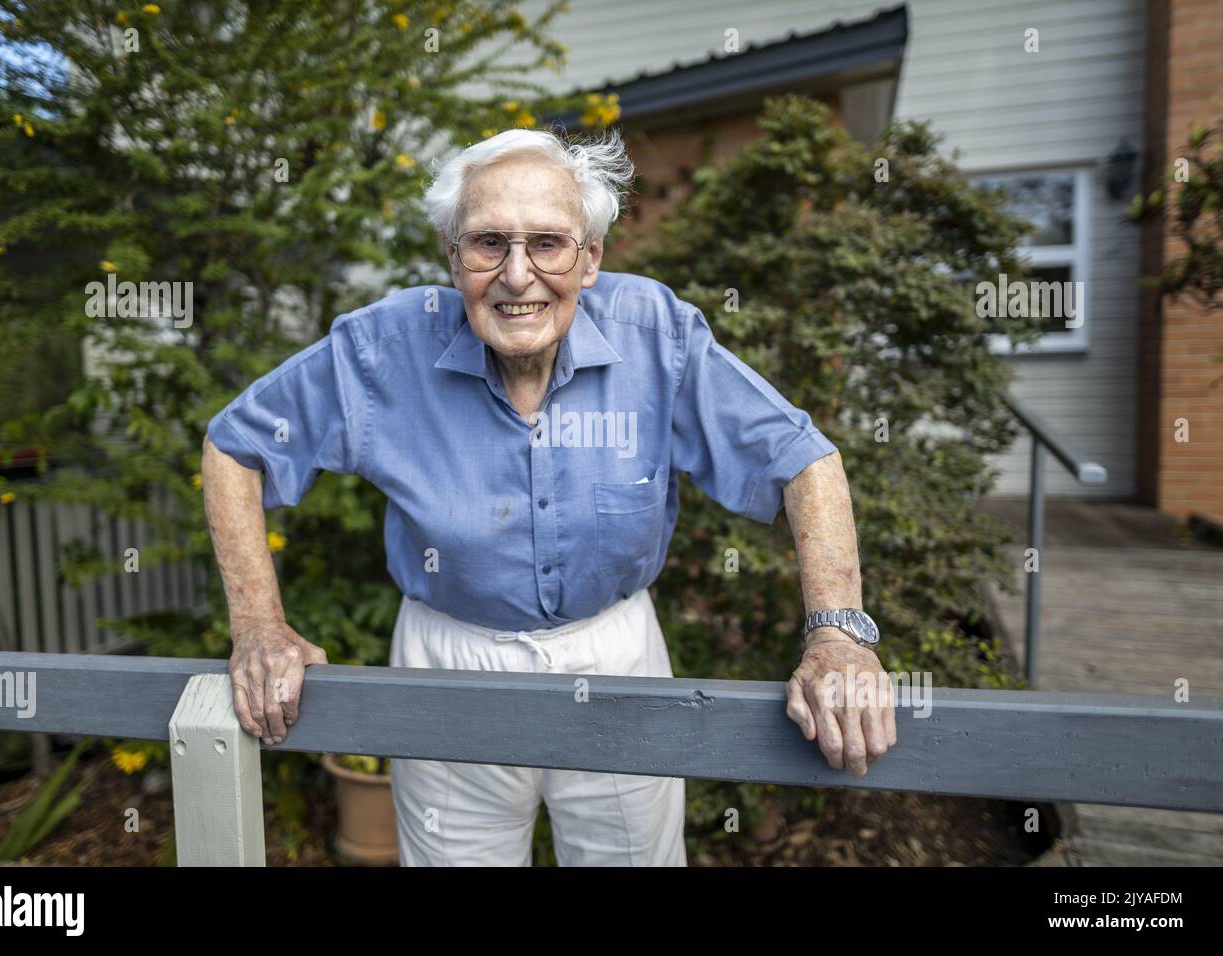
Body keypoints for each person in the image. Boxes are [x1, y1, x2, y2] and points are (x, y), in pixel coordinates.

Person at [201, 127, 897, 866]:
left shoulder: (655, 334)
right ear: (452, 255)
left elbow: (802, 458)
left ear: (590, 258)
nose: (516, 274)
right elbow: (234, 446)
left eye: (548, 244)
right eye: (488, 243)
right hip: (445, 662)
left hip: (617, 652)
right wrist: (258, 626)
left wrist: (838, 635)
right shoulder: (383, 349)